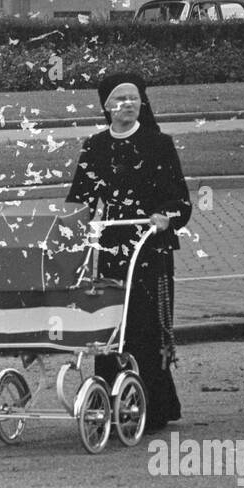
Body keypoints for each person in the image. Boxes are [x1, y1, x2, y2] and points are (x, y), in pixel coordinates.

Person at [67, 72, 192, 431]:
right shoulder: (95, 146)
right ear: (106, 106)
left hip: (150, 247)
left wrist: (165, 217)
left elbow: (179, 201)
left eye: (134, 98)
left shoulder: (159, 144)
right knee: (110, 325)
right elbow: (80, 200)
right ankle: (108, 398)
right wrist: (72, 227)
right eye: (120, 99)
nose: (128, 105)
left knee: (146, 325)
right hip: (112, 246)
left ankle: (154, 406)